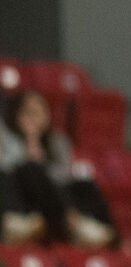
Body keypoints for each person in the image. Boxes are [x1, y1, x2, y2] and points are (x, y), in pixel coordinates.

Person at [0, 87, 115, 245]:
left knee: (85, 184)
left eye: (39, 112)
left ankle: (103, 229)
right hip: (25, 198)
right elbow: (5, 168)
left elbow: (63, 177)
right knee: (29, 169)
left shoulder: (59, 142)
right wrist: (28, 147)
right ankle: (70, 223)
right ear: (18, 115)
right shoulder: (7, 138)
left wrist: (41, 160)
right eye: (29, 112)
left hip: (53, 198)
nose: (35, 118)